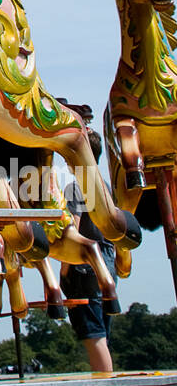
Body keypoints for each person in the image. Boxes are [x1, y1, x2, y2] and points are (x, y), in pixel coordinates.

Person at [61, 125, 118, 373]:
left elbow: (71, 231)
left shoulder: (75, 188)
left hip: (84, 269)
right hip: (107, 260)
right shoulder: (105, 186)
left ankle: (105, 384)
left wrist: (64, 272)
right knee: (101, 330)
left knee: (92, 333)